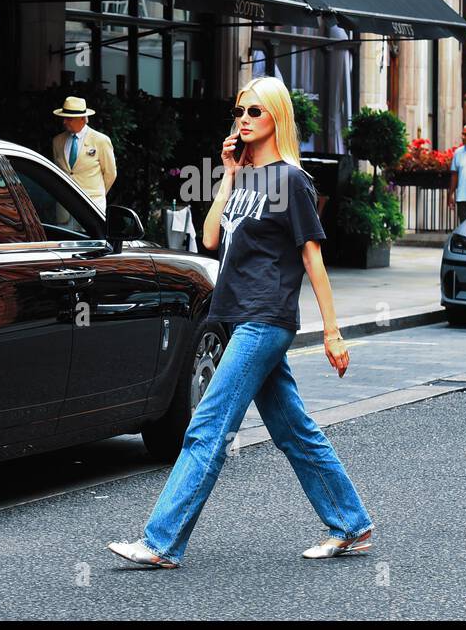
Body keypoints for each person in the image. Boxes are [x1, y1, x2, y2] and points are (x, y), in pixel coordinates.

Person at [107, 75, 373, 568]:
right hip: (239, 316)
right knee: (293, 429)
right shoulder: (247, 179)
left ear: (277, 117)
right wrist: (228, 173)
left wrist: (333, 332)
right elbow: (210, 238)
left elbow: (313, 260)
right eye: (240, 111)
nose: (244, 119)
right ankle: (350, 522)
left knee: (206, 427)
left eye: (255, 111)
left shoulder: (292, 181)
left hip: (265, 319)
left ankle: (161, 542)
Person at [51, 96, 116, 212]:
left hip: (91, 209)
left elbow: (110, 174)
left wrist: (96, 196)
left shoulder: (100, 140)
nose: (64, 122)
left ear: (82, 119)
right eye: (64, 118)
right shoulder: (57, 141)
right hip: (64, 209)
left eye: (69, 119)